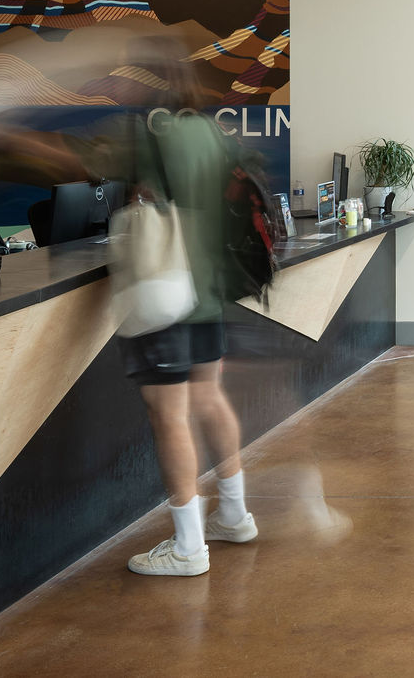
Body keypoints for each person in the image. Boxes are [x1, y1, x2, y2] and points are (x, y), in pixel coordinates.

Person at [117, 61, 259, 577]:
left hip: (165, 292)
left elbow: (144, 204)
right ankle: (234, 514)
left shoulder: (157, 134)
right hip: (208, 290)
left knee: (169, 415)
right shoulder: (213, 135)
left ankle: (188, 547)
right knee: (209, 398)